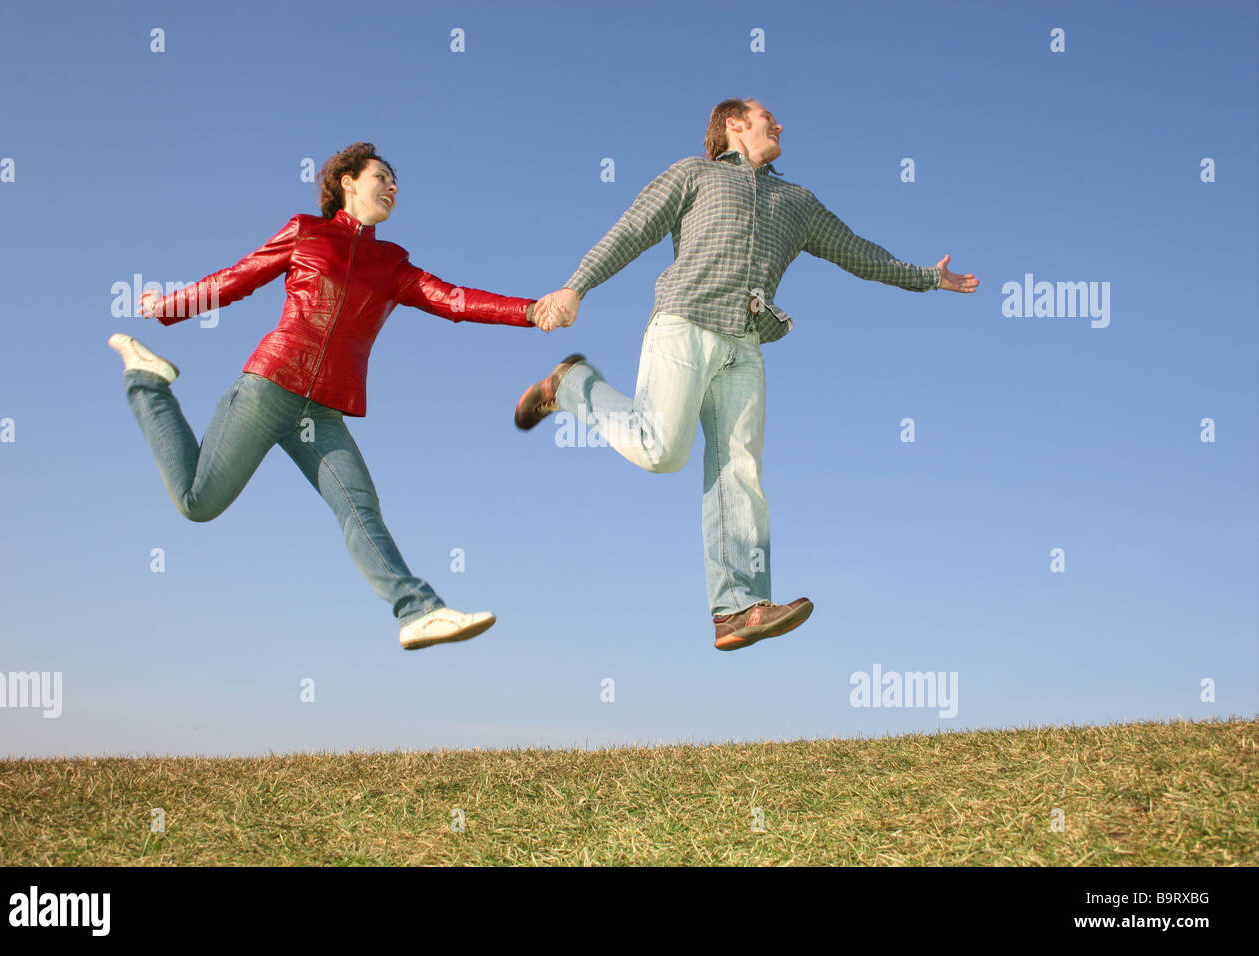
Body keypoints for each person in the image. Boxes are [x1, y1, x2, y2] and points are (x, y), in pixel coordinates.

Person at [515, 99, 979, 652]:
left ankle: (738, 607)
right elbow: (633, 229)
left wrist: (928, 278)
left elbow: (858, 253)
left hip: (747, 343)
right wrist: (576, 286)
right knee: (662, 451)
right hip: (684, 322)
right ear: (733, 124)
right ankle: (571, 385)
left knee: (741, 473)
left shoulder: (796, 201)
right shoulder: (695, 174)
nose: (779, 124)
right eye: (767, 117)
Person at [110, 142, 543, 650]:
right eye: (382, 176)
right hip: (268, 386)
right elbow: (236, 280)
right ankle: (147, 381)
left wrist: (532, 311)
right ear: (348, 182)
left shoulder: (392, 264)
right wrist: (168, 307)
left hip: (322, 412)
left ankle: (419, 611)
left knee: (359, 506)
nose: (392, 188)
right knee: (197, 503)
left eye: (395, 183)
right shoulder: (306, 232)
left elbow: (456, 300)